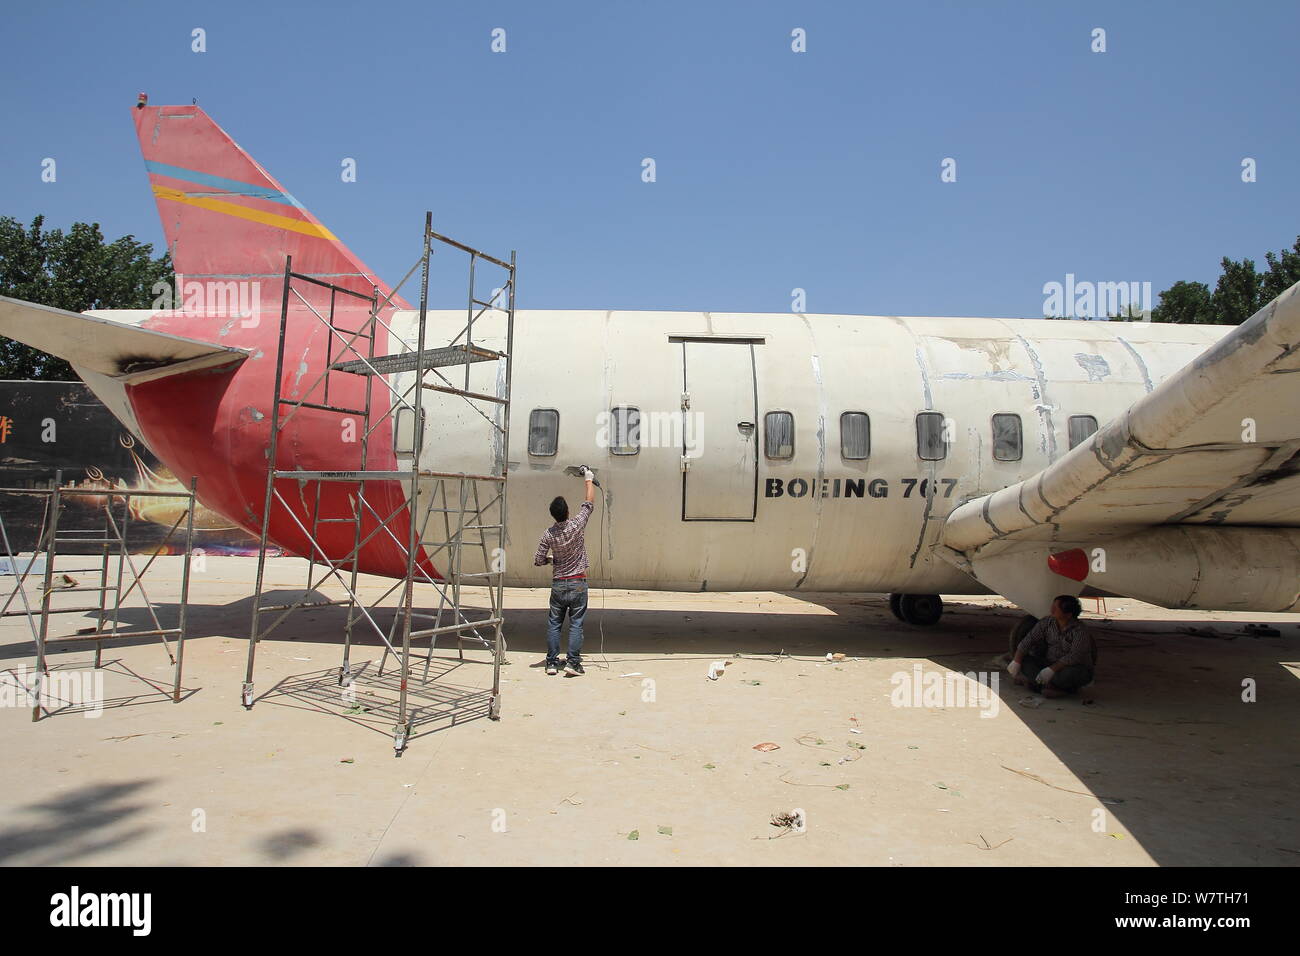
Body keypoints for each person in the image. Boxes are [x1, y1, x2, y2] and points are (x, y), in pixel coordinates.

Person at [532, 467, 597, 676]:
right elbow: (588, 505)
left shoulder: (548, 535)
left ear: (553, 514)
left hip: (559, 583)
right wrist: (589, 480)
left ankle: (551, 663)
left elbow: (538, 559)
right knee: (576, 624)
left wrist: (551, 559)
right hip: (578, 582)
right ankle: (573, 662)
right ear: (567, 512)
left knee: (554, 624)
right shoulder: (576, 526)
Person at [1008, 594, 1097, 698]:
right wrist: (1016, 661)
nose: (1052, 609)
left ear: (1068, 614)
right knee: (1025, 661)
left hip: (1072, 667)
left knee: (1069, 675)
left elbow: (1075, 656)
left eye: (1056, 607)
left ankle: (1055, 688)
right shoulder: (1047, 622)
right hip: (1049, 662)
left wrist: (1052, 670)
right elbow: (1029, 639)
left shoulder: (1080, 631)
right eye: (1053, 606)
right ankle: (1049, 687)